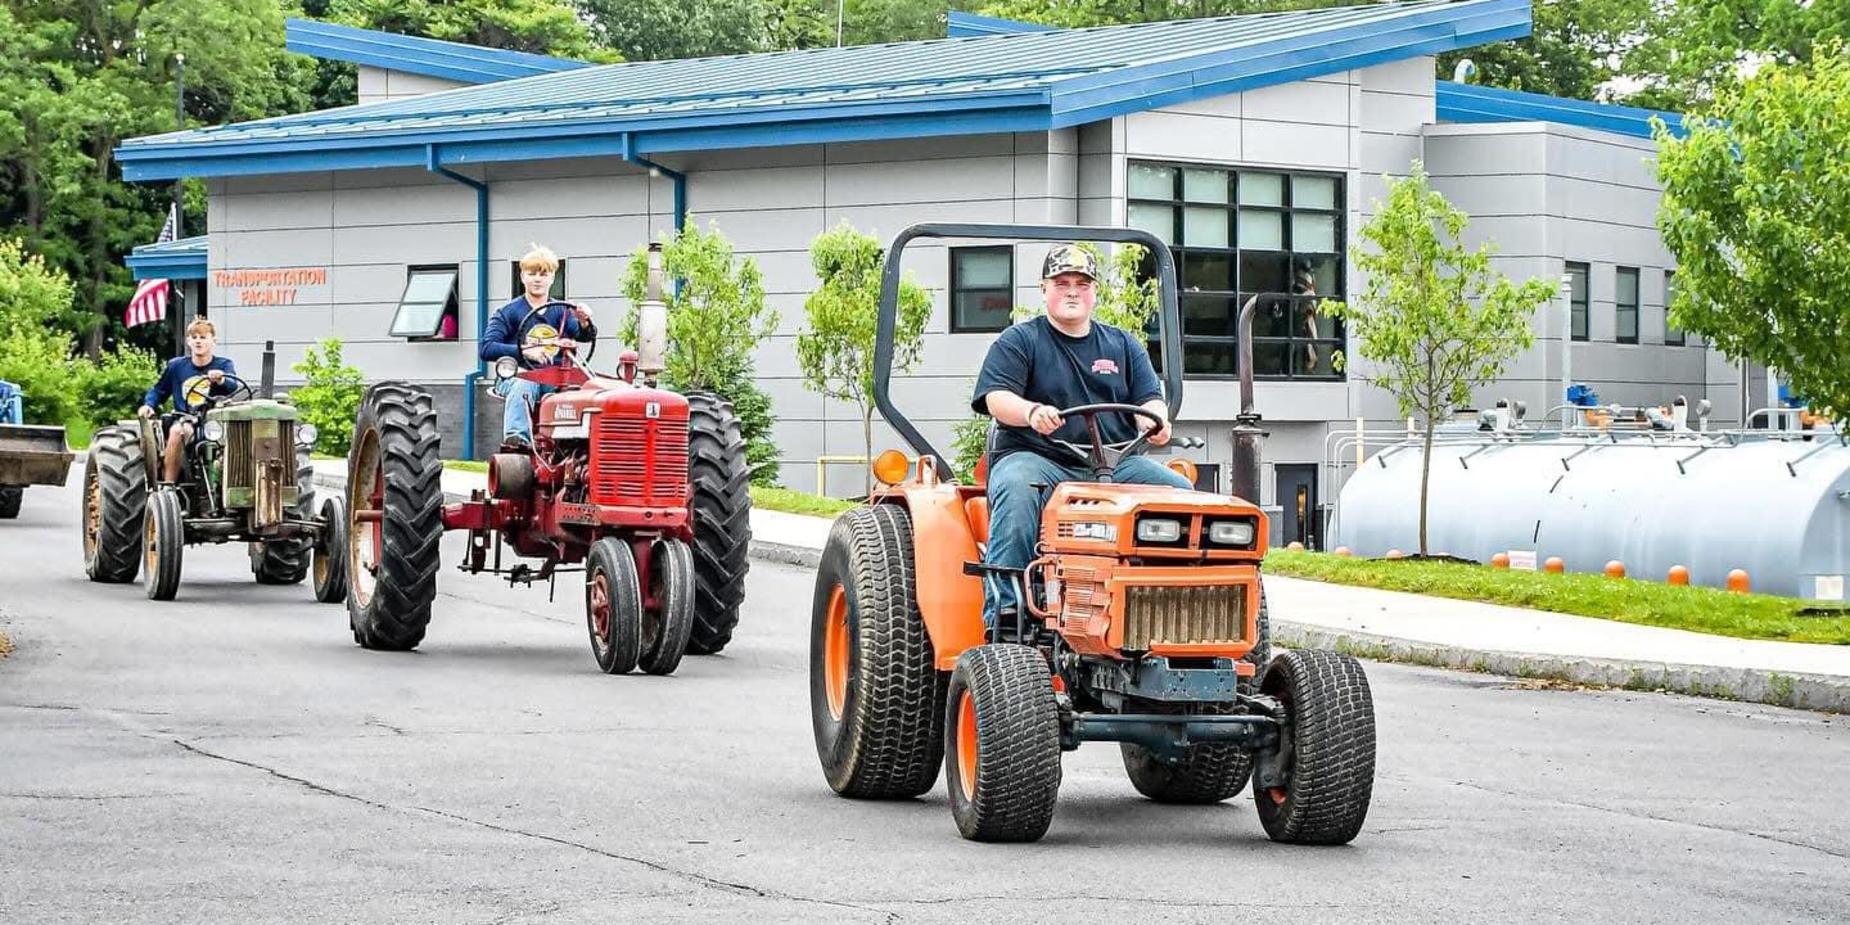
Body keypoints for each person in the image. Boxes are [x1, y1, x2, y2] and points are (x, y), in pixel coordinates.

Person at [970, 244, 1192, 628]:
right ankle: (1008, 613)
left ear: (1095, 292)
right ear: (1044, 290)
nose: (1072, 291)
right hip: (1041, 458)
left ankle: (1177, 610)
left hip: (1114, 465)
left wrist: (1156, 421)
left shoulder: (1123, 345)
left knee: (1182, 498)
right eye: (1061, 282)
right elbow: (996, 397)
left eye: (1081, 283)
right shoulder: (1020, 341)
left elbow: (1150, 399)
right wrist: (1031, 412)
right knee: (1018, 488)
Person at [480, 245, 597, 448]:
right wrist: (525, 351)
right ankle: (517, 440)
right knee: (526, 384)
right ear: (522, 276)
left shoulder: (562, 311)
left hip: (556, 378)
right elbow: (487, 348)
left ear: (552, 278)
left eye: (543, 274)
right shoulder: (508, 312)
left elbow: (583, 335)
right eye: (531, 273)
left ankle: (581, 447)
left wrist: (584, 322)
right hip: (519, 376)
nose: (537, 279)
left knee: (587, 388)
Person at [138, 316, 238, 484]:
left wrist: (220, 379)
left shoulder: (224, 364)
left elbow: (232, 385)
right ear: (188, 341)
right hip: (187, 419)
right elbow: (159, 390)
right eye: (194, 337)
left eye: (203, 337)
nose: (199, 342)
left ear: (213, 340)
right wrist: (149, 405)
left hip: (215, 421)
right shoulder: (176, 366)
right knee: (179, 431)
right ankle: (169, 485)